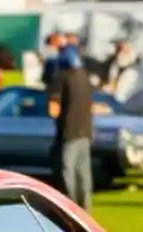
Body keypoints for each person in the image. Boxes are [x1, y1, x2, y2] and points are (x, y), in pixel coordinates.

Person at [49, 45, 95, 210]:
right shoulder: (84, 77)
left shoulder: (62, 77)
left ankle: (70, 207)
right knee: (83, 173)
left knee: (67, 170)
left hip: (69, 131)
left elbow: (54, 108)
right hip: (86, 130)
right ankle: (85, 209)